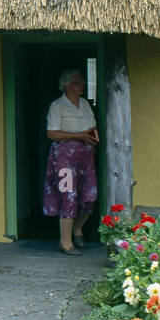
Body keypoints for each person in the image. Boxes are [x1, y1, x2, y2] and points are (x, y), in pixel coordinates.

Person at [43, 68, 98, 255]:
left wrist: (91, 139)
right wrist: (79, 136)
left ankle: (78, 229)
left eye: (82, 82)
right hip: (64, 159)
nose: (81, 85)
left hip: (85, 157)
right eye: (77, 83)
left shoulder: (84, 104)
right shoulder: (57, 106)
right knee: (68, 195)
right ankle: (65, 242)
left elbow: (92, 128)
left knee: (89, 195)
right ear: (67, 86)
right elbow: (52, 133)